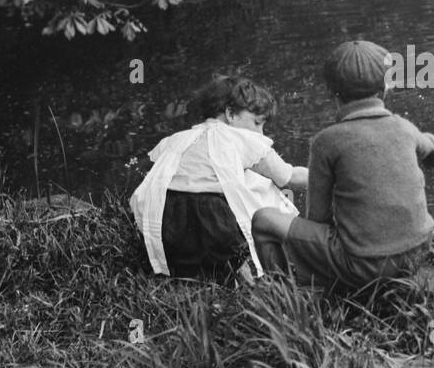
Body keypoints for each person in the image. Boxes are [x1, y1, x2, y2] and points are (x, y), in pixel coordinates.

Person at [251, 39, 434, 295]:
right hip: (417, 253)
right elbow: (433, 154)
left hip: (365, 266)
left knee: (263, 219)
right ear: (385, 89)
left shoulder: (326, 142)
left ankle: (283, 298)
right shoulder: (404, 128)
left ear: (333, 93)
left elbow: (318, 218)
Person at [130, 74, 308, 281]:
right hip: (214, 224)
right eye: (257, 123)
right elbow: (289, 177)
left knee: (245, 179)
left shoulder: (178, 139)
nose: (261, 133)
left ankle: (199, 268)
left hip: (167, 225)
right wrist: (328, 174)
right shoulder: (239, 138)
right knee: (265, 187)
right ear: (230, 114)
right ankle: (274, 271)